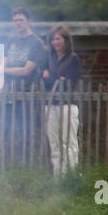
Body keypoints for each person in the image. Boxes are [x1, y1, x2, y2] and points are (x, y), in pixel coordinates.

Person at [1, 7, 49, 160]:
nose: (18, 23)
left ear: (29, 21)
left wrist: (5, 70)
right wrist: (5, 74)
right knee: (10, 132)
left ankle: (29, 165)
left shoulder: (36, 43)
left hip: (29, 95)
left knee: (28, 133)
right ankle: (13, 164)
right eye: (15, 20)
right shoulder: (10, 41)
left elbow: (26, 70)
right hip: (10, 95)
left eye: (21, 20)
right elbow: (3, 65)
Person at [41, 25, 82, 175]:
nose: (55, 42)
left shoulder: (73, 59)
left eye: (58, 38)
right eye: (52, 39)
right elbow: (44, 79)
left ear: (65, 40)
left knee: (68, 142)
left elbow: (68, 82)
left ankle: (71, 174)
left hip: (67, 105)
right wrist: (56, 79)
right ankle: (59, 176)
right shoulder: (49, 59)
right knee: (54, 143)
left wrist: (52, 78)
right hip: (51, 104)